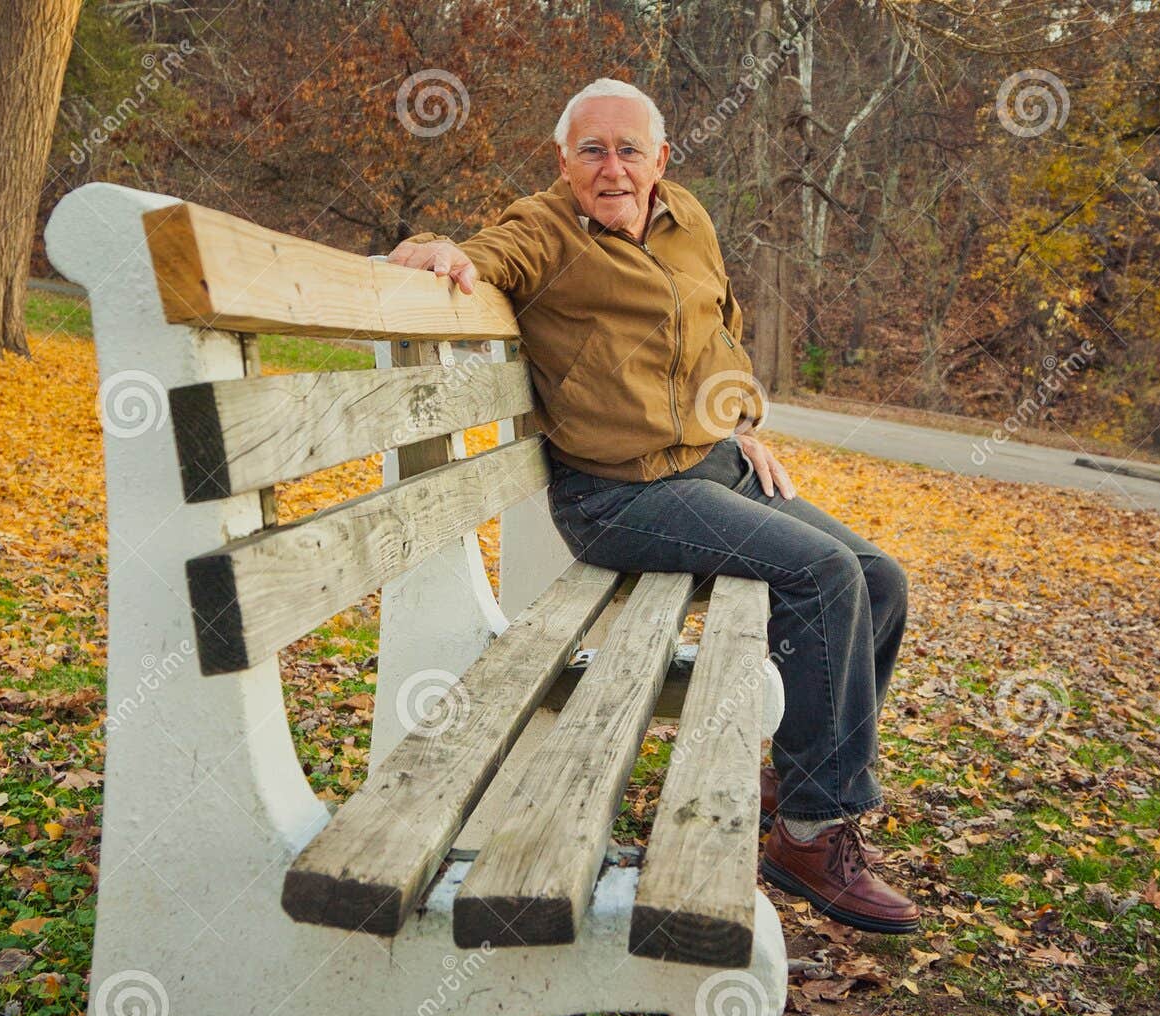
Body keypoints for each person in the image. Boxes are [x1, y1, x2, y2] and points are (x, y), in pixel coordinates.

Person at [388, 78, 917, 934]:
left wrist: (742, 419)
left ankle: (795, 779)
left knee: (878, 578)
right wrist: (441, 250)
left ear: (661, 159)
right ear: (565, 161)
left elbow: (721, 329)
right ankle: (812, 837)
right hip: (620, 493)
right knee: (821, 576)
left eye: (630, 149)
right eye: (592, 150)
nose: (613, 168)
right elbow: (491, 253)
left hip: (708, 464)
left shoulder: (688, 220)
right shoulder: (549, 230)